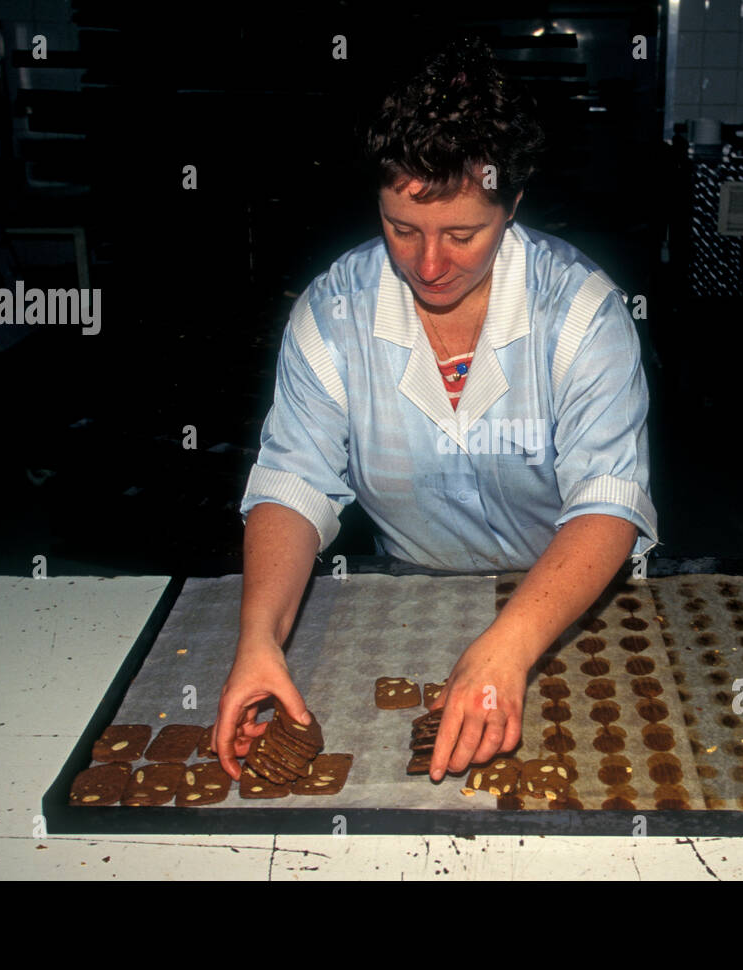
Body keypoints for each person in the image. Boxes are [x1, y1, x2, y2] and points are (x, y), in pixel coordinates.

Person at [213, 37, 657, 783]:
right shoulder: (334, 316)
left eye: (462, 233)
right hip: (411, 594)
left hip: (576, 607)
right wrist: (259, 636)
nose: (428, 264)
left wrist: (509, 644)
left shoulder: (582, 314)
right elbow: (294, 484)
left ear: (512, 204)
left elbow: (607, 504)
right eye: (402, 228)